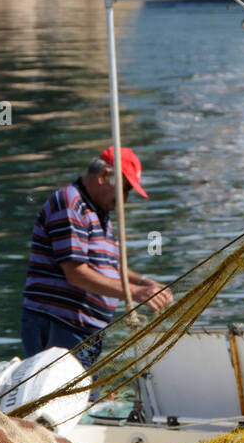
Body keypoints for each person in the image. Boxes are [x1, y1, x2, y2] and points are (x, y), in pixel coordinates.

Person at [21, 146, 172, 370]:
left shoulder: (98, 211)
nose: (125, 199)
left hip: (82, 331)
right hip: (59, 325)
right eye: (125, 189)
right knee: (62, 398)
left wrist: (142, 282)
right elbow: (76, 274)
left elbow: (109, 266)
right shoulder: (71, 204)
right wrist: (136, 293)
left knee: (85, 398)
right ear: (103, 176)